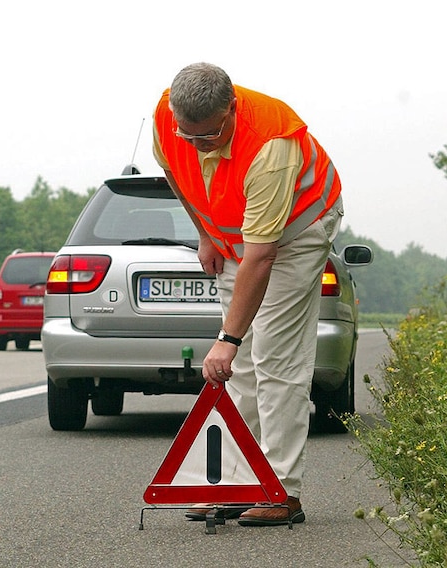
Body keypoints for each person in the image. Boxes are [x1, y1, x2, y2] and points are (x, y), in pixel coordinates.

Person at [152, 62, 343, 527]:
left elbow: (261, 255)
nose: (198, 145)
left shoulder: (271, 146)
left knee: (275, 357)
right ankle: (236, 484)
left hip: (296, 232)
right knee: (239, 370)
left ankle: (282, 490)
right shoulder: (166, 117)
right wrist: (203, 234)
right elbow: (175, 174)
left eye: (209, 135)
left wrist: (227, 339)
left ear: (231, 109)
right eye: (188, 135)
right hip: (236, 235)